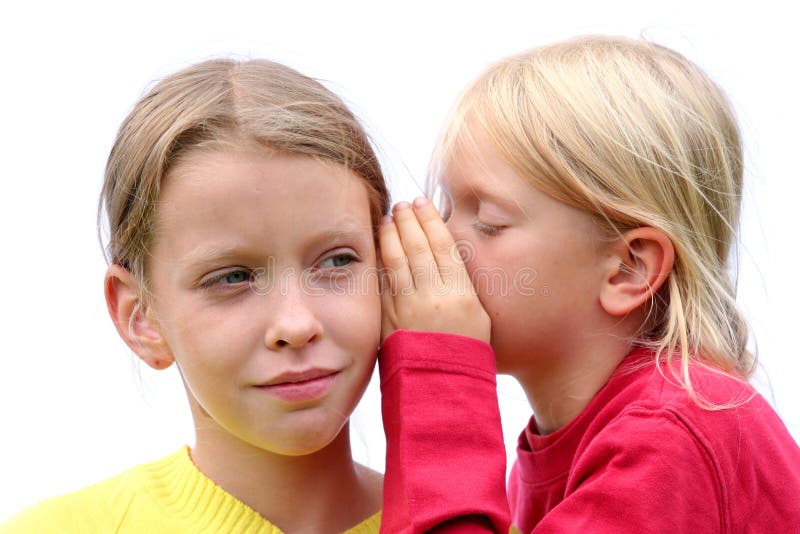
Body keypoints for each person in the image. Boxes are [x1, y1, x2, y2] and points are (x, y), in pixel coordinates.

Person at [377, 35, 800, 532]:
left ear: (627, 269)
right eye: (445, 209)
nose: (444, 244)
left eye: (488, 221)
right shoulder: (584, 444)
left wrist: (439, 381)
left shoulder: (669, 435)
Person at [1, 58, 389, 533]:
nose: (296, 323)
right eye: (232, 277)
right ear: (140, 316)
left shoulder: (478, 523)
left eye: (336, 262)